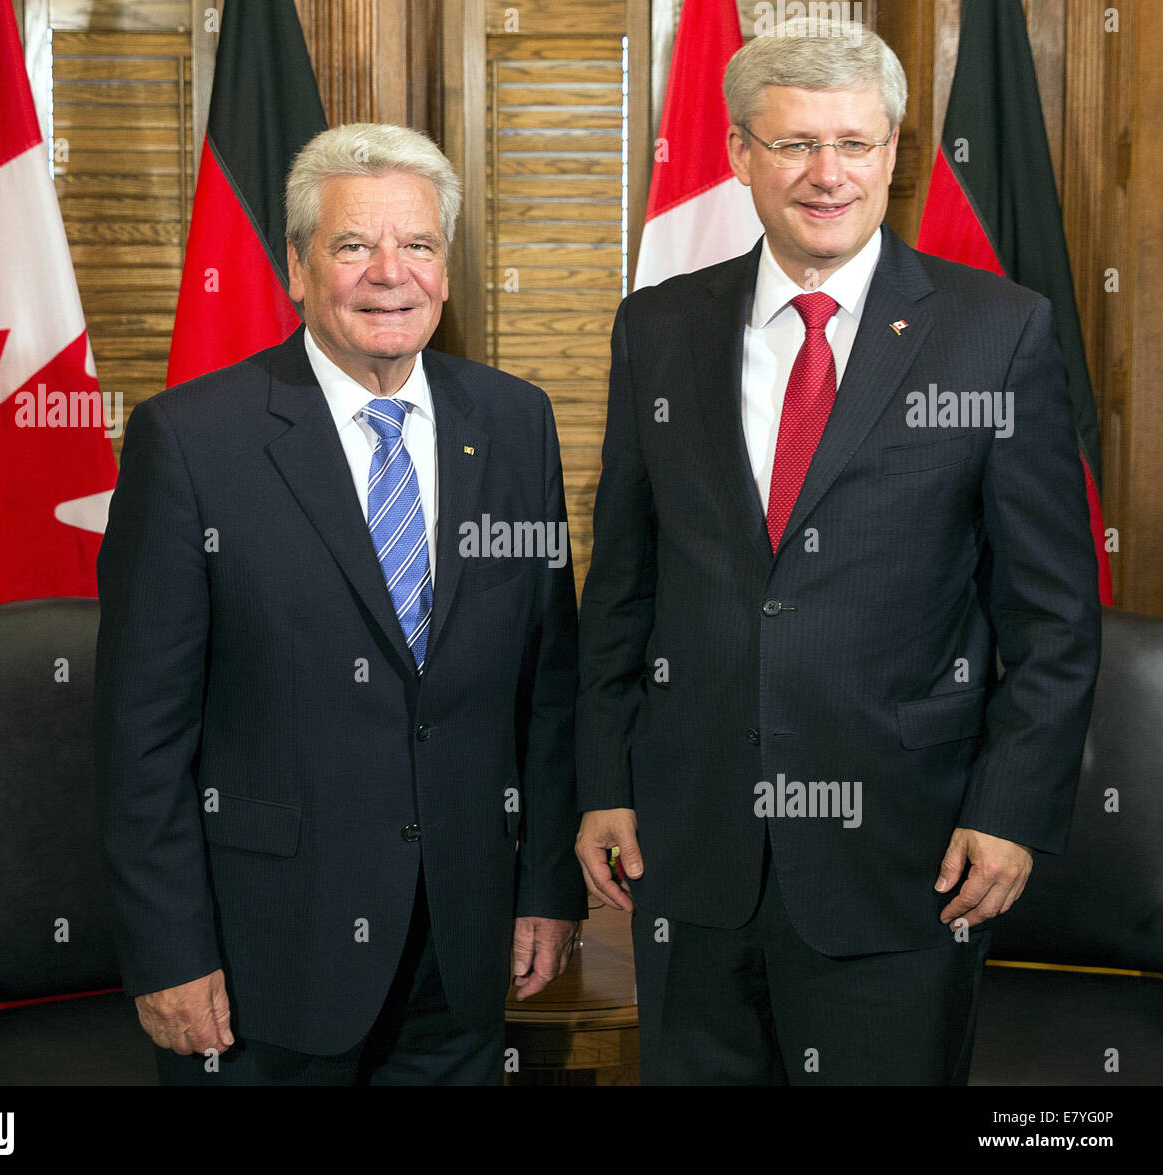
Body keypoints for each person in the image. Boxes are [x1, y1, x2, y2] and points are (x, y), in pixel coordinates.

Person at [574, 18, 1100, 1085]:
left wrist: (1008, 812)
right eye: (793, 144)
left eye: (853, 144)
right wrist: (604, 779)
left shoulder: (997, 330)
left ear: (895, 152)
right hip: (692, 851)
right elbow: (621, 584)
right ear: (737, 154)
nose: (826, 174)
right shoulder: (658, 327)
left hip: (903, 858)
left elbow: (1053, 616)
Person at [95, 123, 583, 1086]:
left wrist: (546, 885)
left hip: (464, 948)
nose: (388, 274)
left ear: (447, 270)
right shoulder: (192, 443)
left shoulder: (516, 422)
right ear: (298, 267)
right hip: (264, 957)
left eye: (419, 246)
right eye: (354, 246)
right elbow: (138, 735)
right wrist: (169, 949)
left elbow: (550, 684)